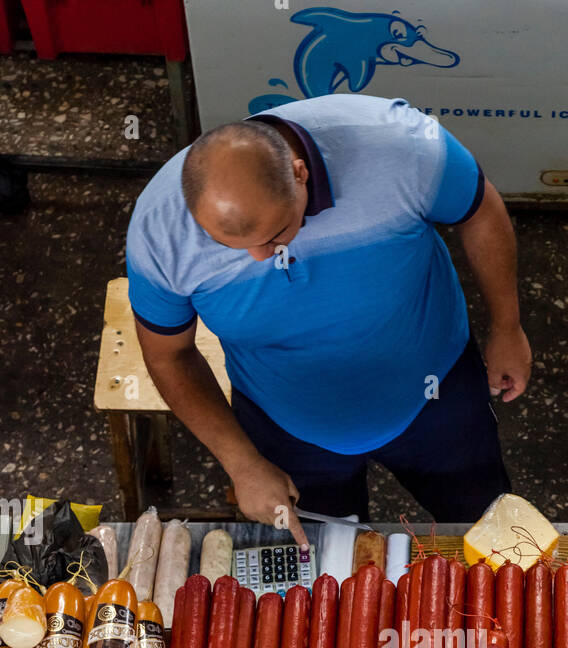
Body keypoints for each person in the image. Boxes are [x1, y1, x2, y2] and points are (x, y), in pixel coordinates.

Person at [126, 95, 531, 540]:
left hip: (439, 399)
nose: (262, 258)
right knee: (329, 576)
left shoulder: (402, 146)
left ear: (300, 175)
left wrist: (507, 327)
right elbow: (169, 355)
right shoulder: (160, 230)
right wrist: (242, 463)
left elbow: (479, 210)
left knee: (493, 539)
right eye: (231, 248)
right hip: (284, 429)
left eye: (276, 235)